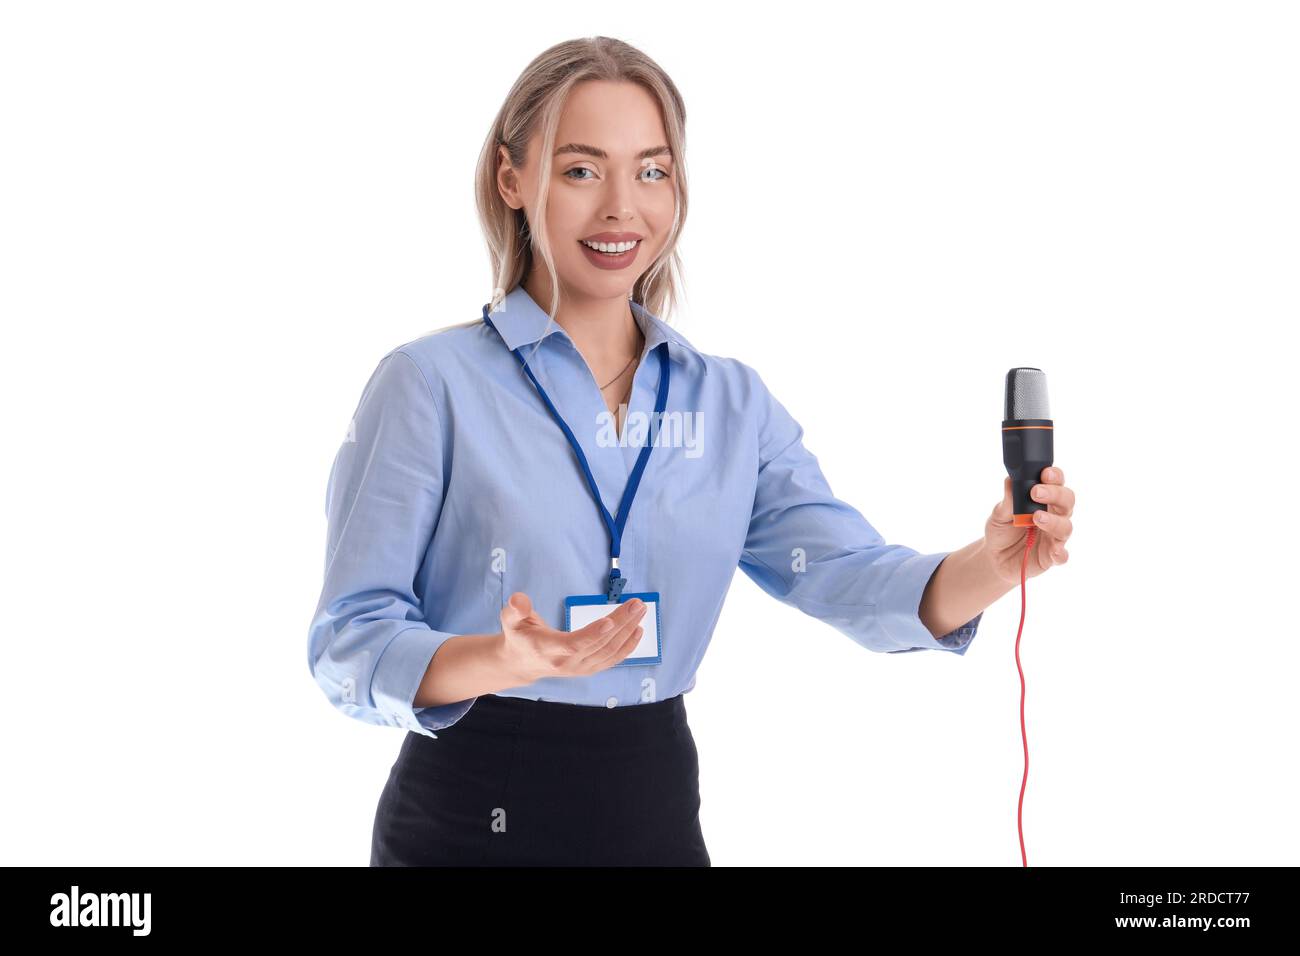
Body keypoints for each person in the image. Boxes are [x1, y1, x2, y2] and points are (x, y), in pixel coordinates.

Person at [306, 36, 1076, 867]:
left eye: (651, 170)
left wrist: (996, 563)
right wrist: (499, 659)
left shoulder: (730, 403)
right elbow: (348, 642)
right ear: (512, 180)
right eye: (579, 170)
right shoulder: (427, 385)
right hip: (469, 815)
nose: (620, 209)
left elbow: (847, 574)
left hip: (653, 810)